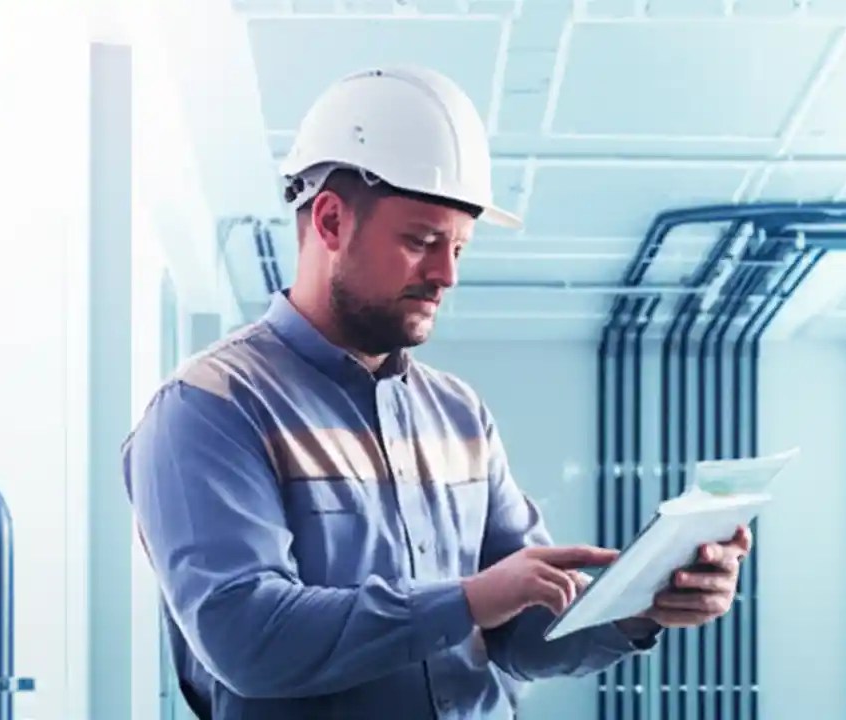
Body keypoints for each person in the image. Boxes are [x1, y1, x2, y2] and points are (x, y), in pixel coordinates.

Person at [122, 65, 753, 720]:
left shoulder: (459, 416)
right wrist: (469, 601)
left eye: (459, 247)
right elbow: (247, 637)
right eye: (422, 241)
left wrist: (640, 608)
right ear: (332, 222)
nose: (446, 274)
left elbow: (524, 634)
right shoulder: (211, 406)